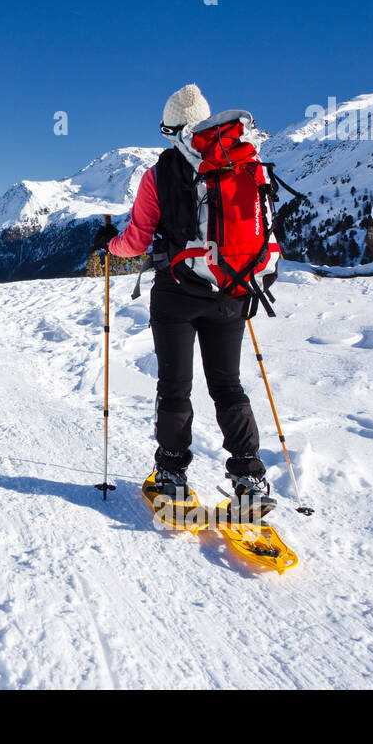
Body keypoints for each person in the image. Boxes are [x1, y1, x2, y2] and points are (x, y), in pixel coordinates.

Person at [92, 84, 275, 517]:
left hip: (177, 292)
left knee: (175, 385)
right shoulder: (247, 162)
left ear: (171, 129)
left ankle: (172, 473)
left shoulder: (160, 173)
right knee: (227, 384)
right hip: (233, 289)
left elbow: (135, 241)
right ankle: (249, 475)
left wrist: (108, 244)